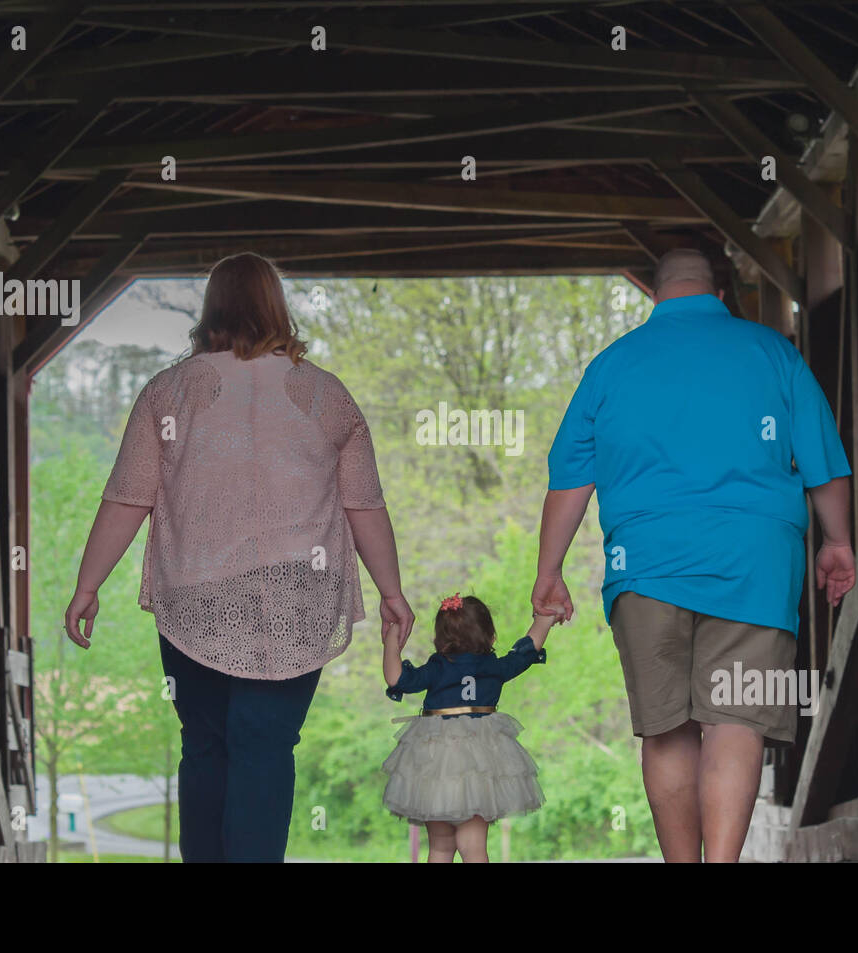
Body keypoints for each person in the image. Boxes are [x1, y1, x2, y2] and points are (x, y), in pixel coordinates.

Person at [63, 252, 415, 863]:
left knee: (204, 744)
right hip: (296, 592)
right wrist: (391, 591)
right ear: (276, 305)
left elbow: (127, 498)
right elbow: (364, 505)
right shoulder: (326, 395)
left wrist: (87, 585)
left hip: (198, 592)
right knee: (268, 744)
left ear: (211, 310)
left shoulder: (168, 392)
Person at [533, 248, 855, 862]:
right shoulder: (772, 354)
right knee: (738, 721)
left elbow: (569, 480)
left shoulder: (612, 366)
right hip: (754, 565)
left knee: (666, 728)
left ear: (655, 296)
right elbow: (824, 462)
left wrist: (549, 574)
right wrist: (837, 542)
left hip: (646, 566)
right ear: (723, 294)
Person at [380, 593, 559, 862]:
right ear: (491, 637)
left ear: (439, 640)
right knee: (473, 847)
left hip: (435, 764)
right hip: (479, 763)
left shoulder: (437, 667)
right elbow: (525, 652)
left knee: (440, 847)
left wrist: (392, 639)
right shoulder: (493, 667)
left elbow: (397, 679)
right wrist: (544, 620)